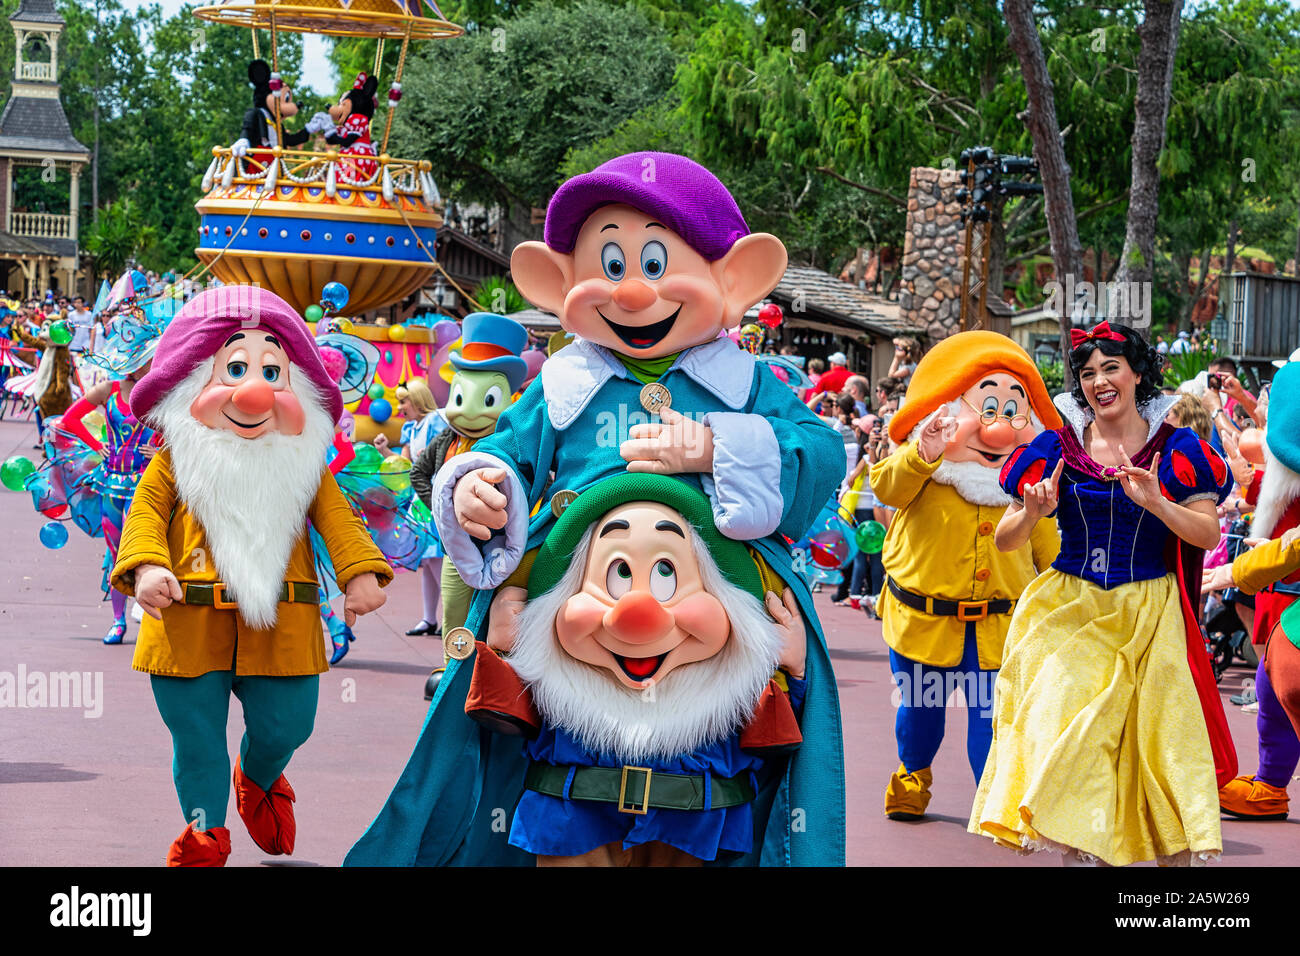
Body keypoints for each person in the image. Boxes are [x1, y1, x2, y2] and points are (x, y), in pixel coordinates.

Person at [970, 321, 1235, 866]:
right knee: (1078, 742)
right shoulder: (1054, 447)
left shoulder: (1178, 448)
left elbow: (1208, 535)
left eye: (1111, 367)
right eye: (1088, 372)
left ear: (1138, 373)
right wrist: (1034, 514)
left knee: (1160, 751)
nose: (1099, 381)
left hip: (1148, 612)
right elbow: (1005, 539)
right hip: (1072, 608)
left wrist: (1159, 502)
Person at [376, 377, 448, 638]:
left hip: (433, 495)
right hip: (419, 497)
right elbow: (405, 465)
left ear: (417, 399)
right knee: (427, 560)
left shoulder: (435, 422)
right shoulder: (412, 429)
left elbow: (437, 461)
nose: (400, 407)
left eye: (403, 401)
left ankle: (453, 615)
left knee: (434, 555)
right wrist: (385, 451)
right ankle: (429, 618)